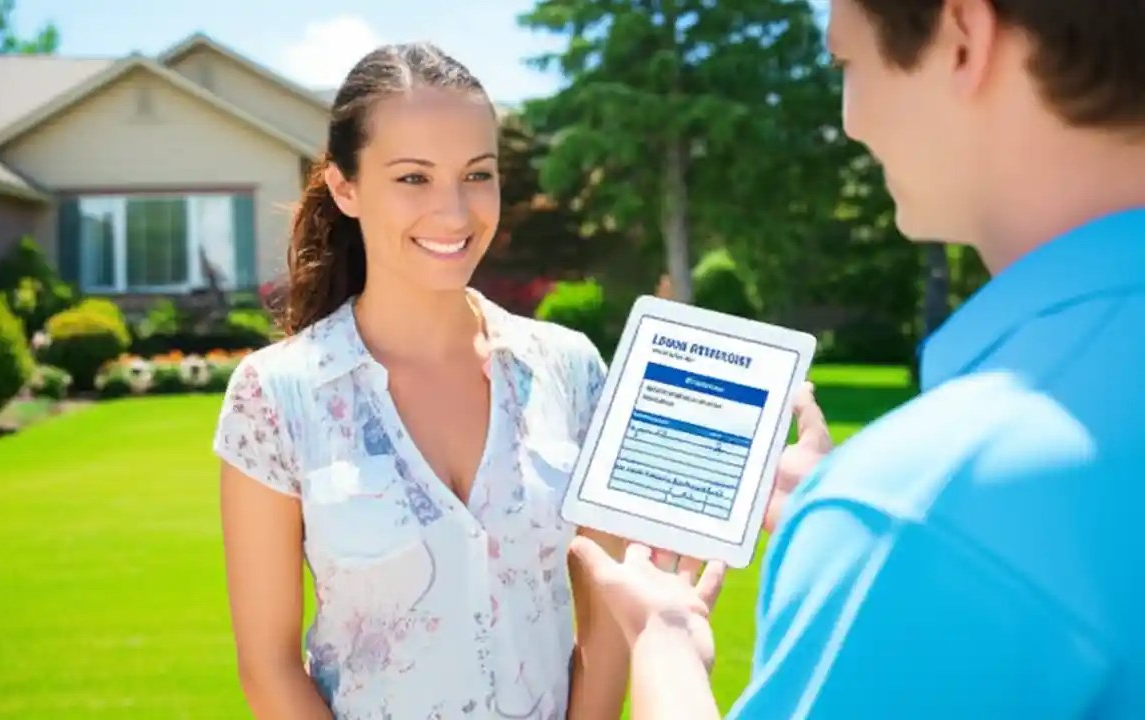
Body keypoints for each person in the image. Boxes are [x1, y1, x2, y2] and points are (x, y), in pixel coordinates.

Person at [577, 0, 1145, 717]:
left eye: (846, 63)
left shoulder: (931, 505)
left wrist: (664, 636)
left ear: (964, 40)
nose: (849, 120)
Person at [211, 42, 640, 719]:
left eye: (477, 175)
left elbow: (607, 624)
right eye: (414, 178)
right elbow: (267, 666)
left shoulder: (572, 370)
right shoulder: (276, 396)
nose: (455, 212)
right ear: (344, 187)